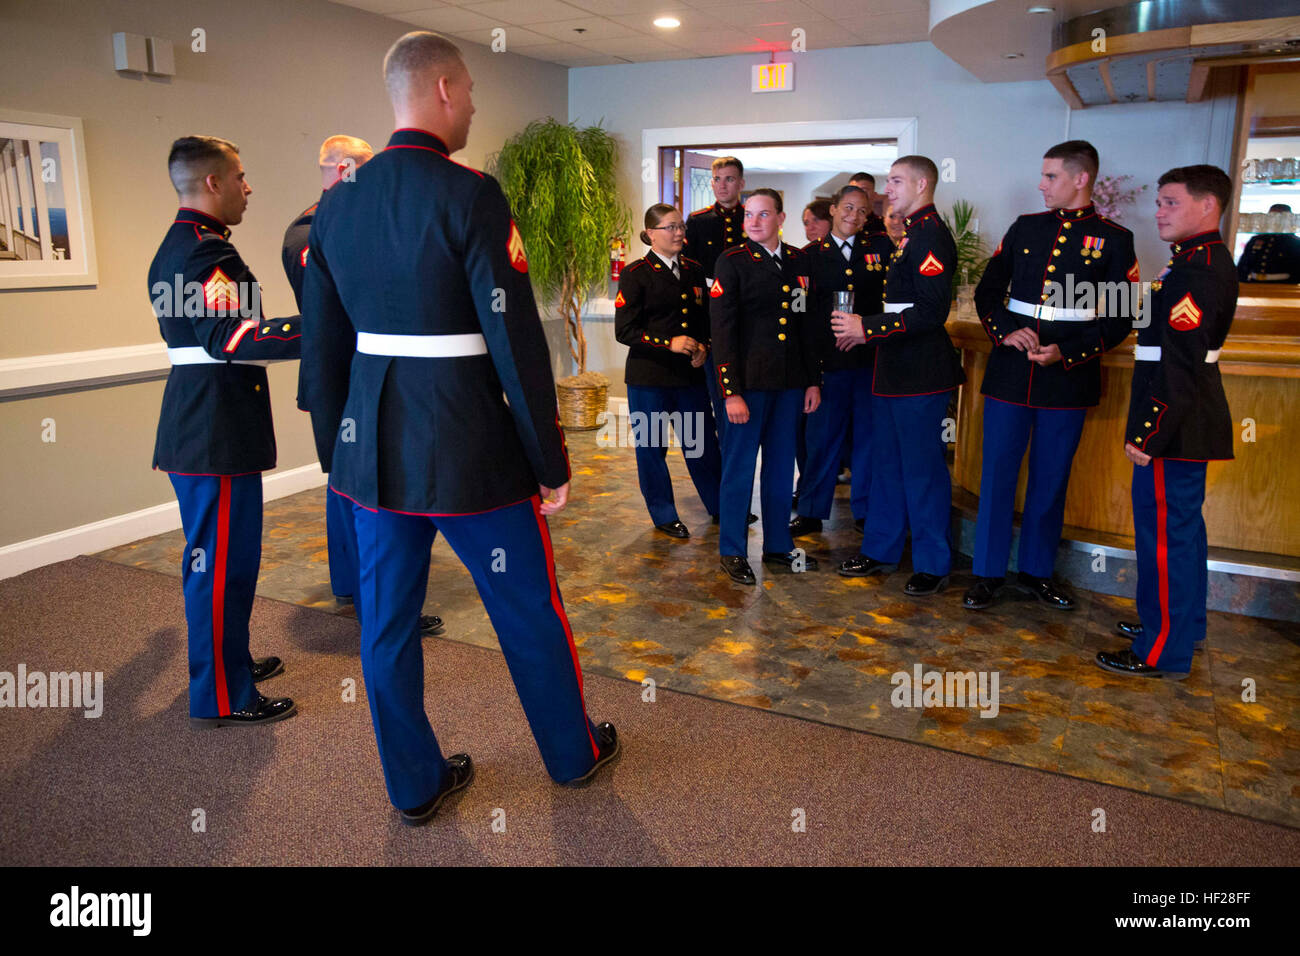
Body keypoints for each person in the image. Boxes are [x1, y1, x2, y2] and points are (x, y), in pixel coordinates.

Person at [300, 31, 617, 824]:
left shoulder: (336, 207)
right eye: (470, 87)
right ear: (441, 88)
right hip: (472, 449)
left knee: (386, 627)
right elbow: (514, 342)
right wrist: (549, 458)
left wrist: (340, 461)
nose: (474, 101)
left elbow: (324, 353)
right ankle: (571, 755)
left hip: (373, 453)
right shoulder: (472, 194)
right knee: (526, 610)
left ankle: (414, 785)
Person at [148, 135, 301, 727]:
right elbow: (231, 338)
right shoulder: (207, 254)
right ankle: (222, 694)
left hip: (204, 421)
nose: (249, 186)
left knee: (225, 561)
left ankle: (227, 661)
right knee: (219, 567)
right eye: (241, 175)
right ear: (213, 182)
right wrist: (325, 328)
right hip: (215, 430)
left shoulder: (181, 245)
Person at [964, 141, 1138, 611]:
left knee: (1051, 479)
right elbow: (988, 293)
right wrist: (1004, 331)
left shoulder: (1115, 238)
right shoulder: (1025, 227)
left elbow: (1123, 317)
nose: (1041, 185)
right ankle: (986, 573)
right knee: (997, 474)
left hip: (1068, 377)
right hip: (1009, 373)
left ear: (1081, 179)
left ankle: (1037, 572)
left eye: (1051, 177)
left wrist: (1069, 351)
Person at [282, 135, 445, 638]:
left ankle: (362, 591)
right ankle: (373, 598)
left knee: (358, 490)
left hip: (364, 378)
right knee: (361, 493)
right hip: (345, 380)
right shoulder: (311, 230)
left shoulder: (345, 217)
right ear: (349, 168)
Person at [1097, 165, 1238, 680]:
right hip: (1188, 421)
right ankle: (1179, 626)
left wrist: (1148, 435)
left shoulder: (1198, 271)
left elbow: (1178, 363)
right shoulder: (1194, 262)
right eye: (1159, 202)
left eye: (1171, 202)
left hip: (1175, 426)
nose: (1159, 211)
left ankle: (1162, 649)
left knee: (1165, 538)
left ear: (1207, 206)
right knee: (1182, 532)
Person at [831, 156, 964, 595]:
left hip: (920, 371)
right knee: (887, 464)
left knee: (922, 469)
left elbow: (930, 311)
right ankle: (881, 549)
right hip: (893, 366)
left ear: (923, 184)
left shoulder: (931, 236)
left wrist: (866, 328)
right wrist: (866, 332)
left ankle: (932, 562)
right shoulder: (910, 235)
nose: (887, 189)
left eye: (896, 180)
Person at [711, 188, 822, 585]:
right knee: (739, 469)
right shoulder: (733, 261)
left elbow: (805, 326)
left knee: (780, 468)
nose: (754, 222)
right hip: (749, 385)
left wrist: (812, 381)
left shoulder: (799, 261)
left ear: (781, 217)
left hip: (789, 385)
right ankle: (732, 550)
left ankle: (778, 546)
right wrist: (730, 391)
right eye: (749, 215)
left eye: (763, 215)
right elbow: (721, 331)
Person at [613, 204, 722, 537]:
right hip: (650, 380)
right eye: (670, 228)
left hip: (689, 377)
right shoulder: (635, 274)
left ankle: (721, 507)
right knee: (652, 450)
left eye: (681, 228)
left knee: (702, 445)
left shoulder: (693, 269)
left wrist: (703, 346)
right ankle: (663, 514)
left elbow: (703, 319)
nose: (679, 234)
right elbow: (625, 331)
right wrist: (669, 342)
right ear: (650, 234)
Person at [790, 184, 891, 539]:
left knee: (867, 439)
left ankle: (864, 508)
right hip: (827, 364)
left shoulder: (880, 251)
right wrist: (808, 374)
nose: (854, 216)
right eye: (848, 208)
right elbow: (799, 315)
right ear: (832, 210)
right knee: (822, 440)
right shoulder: (808, 257)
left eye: (862, 211)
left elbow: (888, 305)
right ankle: (812, 510)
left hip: (868, 360)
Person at [686, 156, 746, 440]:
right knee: (717, 392)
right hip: (711, 319)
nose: (722, 186)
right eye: (717, 179)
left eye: (730, 179)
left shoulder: (751, 217)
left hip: (748, 316)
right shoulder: (699, 221)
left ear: (741, 183)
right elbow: (690, 273)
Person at [1237, 203, 1300, 282]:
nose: (1273, 221)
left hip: (1282, 285)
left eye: (1277, 217)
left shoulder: (1294, 242)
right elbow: (1244, 265)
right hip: (1254, 283)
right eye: (1271, 217)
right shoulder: (1256, 239)